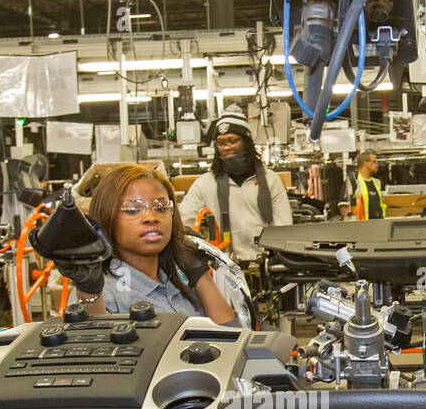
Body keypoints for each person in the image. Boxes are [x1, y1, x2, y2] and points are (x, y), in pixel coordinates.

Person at [54, 164, 239, 325]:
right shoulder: (102, 293)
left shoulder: (179, 278)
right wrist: (89, 292)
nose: (151, 217)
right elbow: (96, 355)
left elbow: (233, 338)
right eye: (133, 210)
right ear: (107, 218)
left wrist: (200, 275)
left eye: (161, 207)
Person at [179, 105, 293, 262]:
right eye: (221, 142)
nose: (227, 147)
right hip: (223, 265)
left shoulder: (270, 180)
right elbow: (183, 223)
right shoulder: (204, 184)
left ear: (246, 142)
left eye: (233, 141)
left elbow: (284, 228)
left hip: (267, 264)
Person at [354, 150, 386, 219]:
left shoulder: (377, 182)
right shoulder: (353, 182)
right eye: (374, 162)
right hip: (363, 226)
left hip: (379, 224)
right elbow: (344, 208)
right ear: (366, 163)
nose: (377, 165)